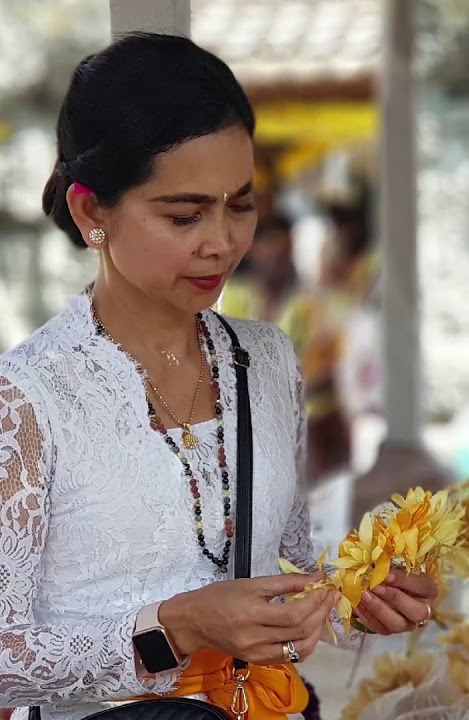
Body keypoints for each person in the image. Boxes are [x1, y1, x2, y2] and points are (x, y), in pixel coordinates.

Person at [0, 33, 435, 720]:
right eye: (184, 214)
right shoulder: (26, 398)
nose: (223, 242)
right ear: (92, 213)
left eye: (240, 204)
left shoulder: (265, 360)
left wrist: (357, 592)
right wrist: (174, 629)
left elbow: (284, 566)